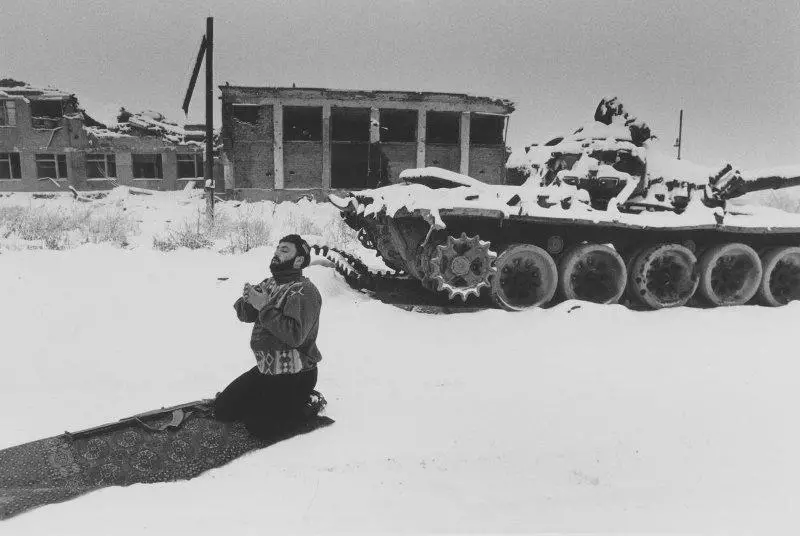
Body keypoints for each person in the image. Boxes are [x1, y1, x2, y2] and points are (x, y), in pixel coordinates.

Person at [214, 234, 323, 438]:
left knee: (260, 428)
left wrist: (264, 306)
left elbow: (294, 336)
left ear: (299, 260)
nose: (276, 254)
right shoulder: (270, 284)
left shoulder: (304, 291)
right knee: (222, 410)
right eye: (277, 248)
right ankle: (269, 402)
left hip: (297, 375)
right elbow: (245, 315)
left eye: (284, 250)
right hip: (268, 369)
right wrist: (248, 301)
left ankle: (309, 402)